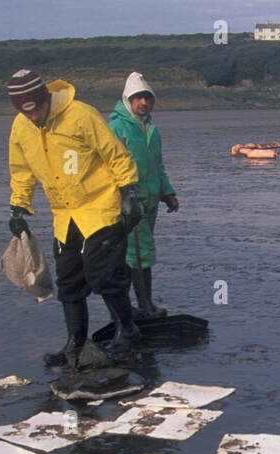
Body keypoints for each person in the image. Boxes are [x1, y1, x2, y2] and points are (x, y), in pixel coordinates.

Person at [6, 69, 143, 370]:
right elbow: (22, 170)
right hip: (65, 216)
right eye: (26, 114)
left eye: (38, 111)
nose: (34, 119)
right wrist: (18, 207)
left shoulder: (80, 115)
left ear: (45, 100)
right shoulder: (21, 128)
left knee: (105, 275)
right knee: (68, 282)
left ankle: (127, 332)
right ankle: (75, 345)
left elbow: (116, 156)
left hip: (101, 206)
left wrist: (129, 194)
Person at [108, 72, 179, 319]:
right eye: (138, 98)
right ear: (128, 100)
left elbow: (158, 165)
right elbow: (109, 165)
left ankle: (132, 307)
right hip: (129, 202)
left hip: (150, 200)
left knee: (136, 253)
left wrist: (167, 192)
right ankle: (144, 307)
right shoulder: (117, 127)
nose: (143, 103)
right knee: (138, 253)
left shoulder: (151, 129)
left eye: (147, 98)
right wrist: (124, 198)